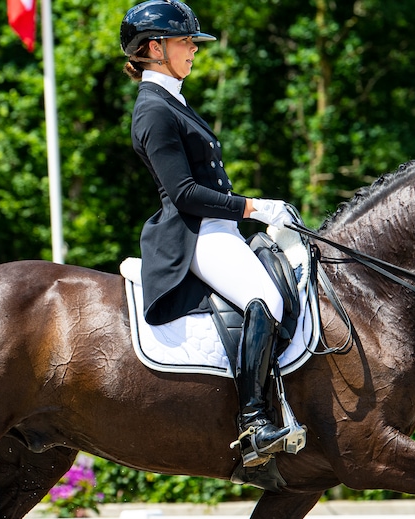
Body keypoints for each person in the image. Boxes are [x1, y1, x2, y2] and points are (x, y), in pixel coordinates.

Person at [121, 0, 299, 467]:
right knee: (267, 299)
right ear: (154, 48)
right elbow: (184, 194)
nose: (194, 50)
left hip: (219, 227)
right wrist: (254, 207)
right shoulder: (153, 110)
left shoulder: (174, 100)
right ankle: (254, 423)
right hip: (194, 233)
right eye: (186, 41)